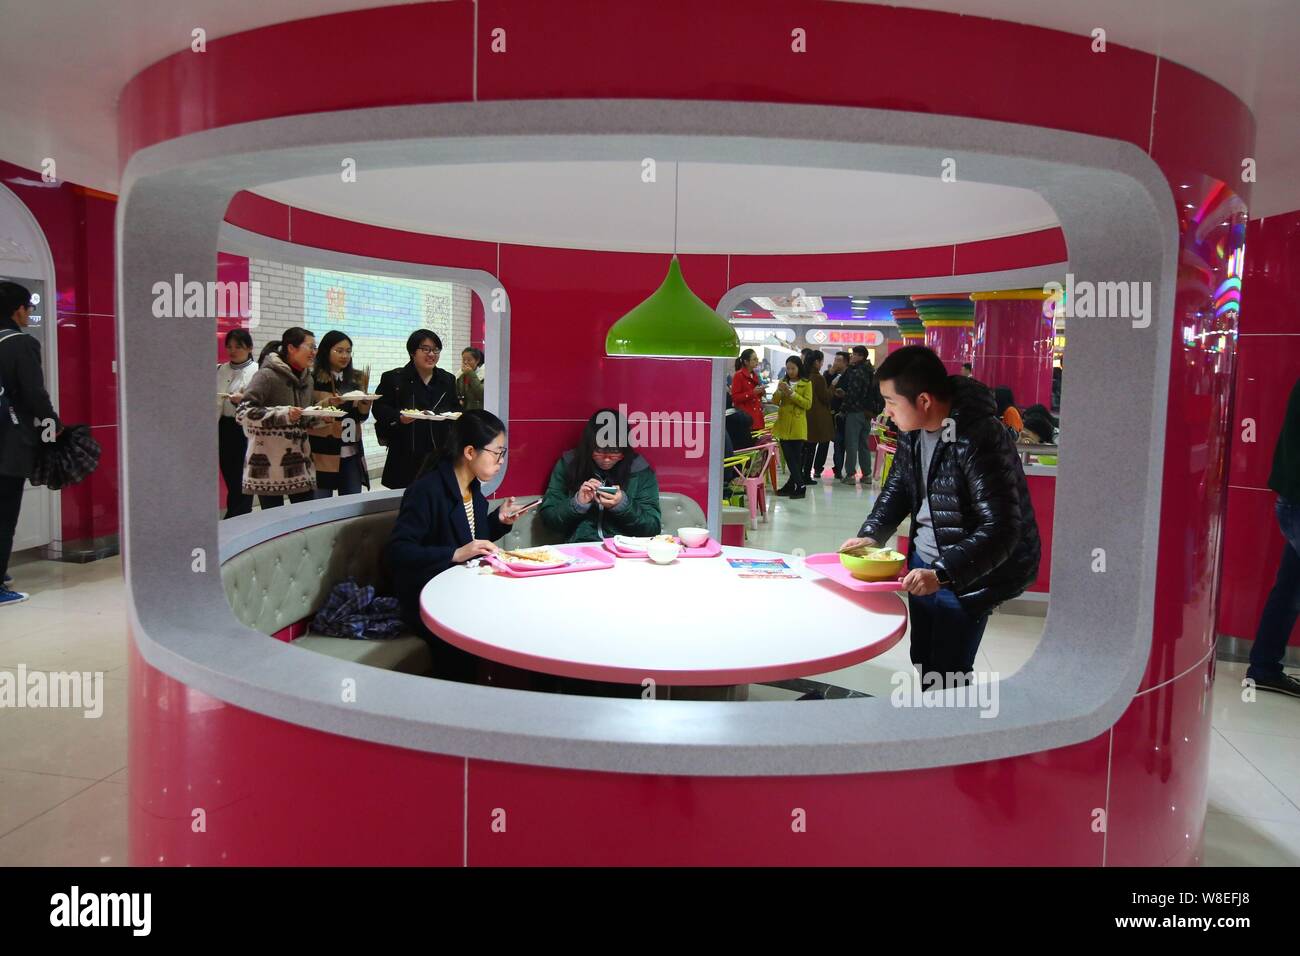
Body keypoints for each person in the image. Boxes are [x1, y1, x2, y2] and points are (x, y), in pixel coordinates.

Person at [841, 345, 1040, 690]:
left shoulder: (980, 437)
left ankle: (947, 734)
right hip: (924, 561)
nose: (885, 411)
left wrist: (944, 574)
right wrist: (872, 535)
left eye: (890, 401)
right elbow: (899, 487)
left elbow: (1004, 528)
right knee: (924, 657)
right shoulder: (913, 432)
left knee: (948, 670)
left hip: (966, 573)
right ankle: (930, 722)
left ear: (924, 401)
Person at [386, 409, 525, 682]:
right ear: (470, 452)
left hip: (463, 591)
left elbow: (472, 539)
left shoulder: (473, 491)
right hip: (430, 598)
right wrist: (453, 554)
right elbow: (398, 551)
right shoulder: (428, 491)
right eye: (497, 453)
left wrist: (499, 521)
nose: (500, 461)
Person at [0, 281, 61, 606]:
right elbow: (34, 394)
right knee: (5, 512)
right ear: (18, 310)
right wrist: (53, 423)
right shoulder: (21, 344)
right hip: (9, 440)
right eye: (29, 308)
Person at [1247, 376, 1300, 697]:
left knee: (1290, 589)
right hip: (1297, 499)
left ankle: (1264, 666)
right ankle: (1264, 665)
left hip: (1293, 498)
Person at [539, 409, 662, 542]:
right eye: (599, 452)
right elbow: (549, 521)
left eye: (615, 453)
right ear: (589, 447)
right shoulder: (569, 464)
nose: (607, 460)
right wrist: (577, 504)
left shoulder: (639, 469)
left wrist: (623, 506)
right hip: (579, 547)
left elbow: (652, 528)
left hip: (624, 547)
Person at [235, 327, 324, 508]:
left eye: (315, 348)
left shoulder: (308, 379)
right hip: (268, 465)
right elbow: (243, 413)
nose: (314, 352)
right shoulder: (267, 376)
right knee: (274, 524)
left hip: (299, 465)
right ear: (291, 348)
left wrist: (321, 418)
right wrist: (283, 414)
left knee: (304, 517)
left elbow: (302, 419)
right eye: (311, 347)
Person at [372, 330, 462, 489]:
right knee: (405, 502)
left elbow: (454, 407)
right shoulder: (394, 378)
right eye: (426, 349)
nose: (431, 354)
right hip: (405, 454)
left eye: (435, 350)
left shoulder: (447, 379)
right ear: (413, 351)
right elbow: (379, 408)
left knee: (437, 500)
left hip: (438, 453)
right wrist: (399, 417)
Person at [309, 330, 372, 498]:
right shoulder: (312, 378)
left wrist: (365, 406)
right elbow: (307, 414)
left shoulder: (357, 378)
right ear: (326, 351)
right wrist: (327, 406)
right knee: (320, 505)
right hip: (322, 451)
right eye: (339, 350)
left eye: (348, 351)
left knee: (351, 503)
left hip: (351, 448)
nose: (345, 355)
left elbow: (360, 417)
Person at [218, 328, 258, 518]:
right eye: (229, 346)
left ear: (249, 348)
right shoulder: (220, 369)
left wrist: (243, 399)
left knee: (243, 479)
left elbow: (263, 403)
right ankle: (237, 516)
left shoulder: (258, 371)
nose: (232, 351)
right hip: (224, 427)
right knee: (230, 475)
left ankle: (237, 517)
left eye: (238, 347)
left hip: (246, 429)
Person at [836, 345, 880, 484]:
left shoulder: (857, 372)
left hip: (855, 412)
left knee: (852, 444)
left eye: (854, 354)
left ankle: (850, 475)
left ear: (861, 356)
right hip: (867, 413)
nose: (852, 357)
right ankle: (866, 475)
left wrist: (843, 407)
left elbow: (854, 395)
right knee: (863, 444)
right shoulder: (870, 371)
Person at [771, 355, 812, 499]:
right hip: (783, 424)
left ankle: (799, 485)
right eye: (788, 368)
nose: (790, 371)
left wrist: (792, 394)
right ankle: (794, 485)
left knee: (795, 459)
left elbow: (807, 404)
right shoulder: (783, 382)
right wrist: (779, 392)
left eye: (793, 368)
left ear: (799, 368)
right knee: (789, 458)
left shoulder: (806, 384)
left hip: (797, 425)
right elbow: (775, 401)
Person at [805, 350, 835, 484]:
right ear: (817, 362)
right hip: (819, 417)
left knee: (807, 446)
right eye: (821, 361)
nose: (822, 364)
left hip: (806, 415)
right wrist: (833, 388)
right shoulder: (818, 377)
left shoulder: (804, 375)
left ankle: (804, 472)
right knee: (820, 443)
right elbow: (825, 397)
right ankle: (814, 470)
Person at [826, 351, 849, 479]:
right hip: (835, 414)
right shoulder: (833, 375)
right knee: (838, 443)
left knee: (842, 443)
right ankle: (838, 468)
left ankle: (841, 468)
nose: (835, 362)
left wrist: (842, 395)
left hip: (844, 413)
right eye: (835, 359)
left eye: (838, 360)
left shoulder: (849, 375)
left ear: (845, 361)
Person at [731, 348, 764, 437]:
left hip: (757, 418)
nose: (757, 361)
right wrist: (752, 392)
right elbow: (735, 398)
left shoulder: (755, 375)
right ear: (746, 361)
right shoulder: (739, 376)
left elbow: (757, 397)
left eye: (757, 359)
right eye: (754, 359)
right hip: (746, 419)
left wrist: (761, 391)